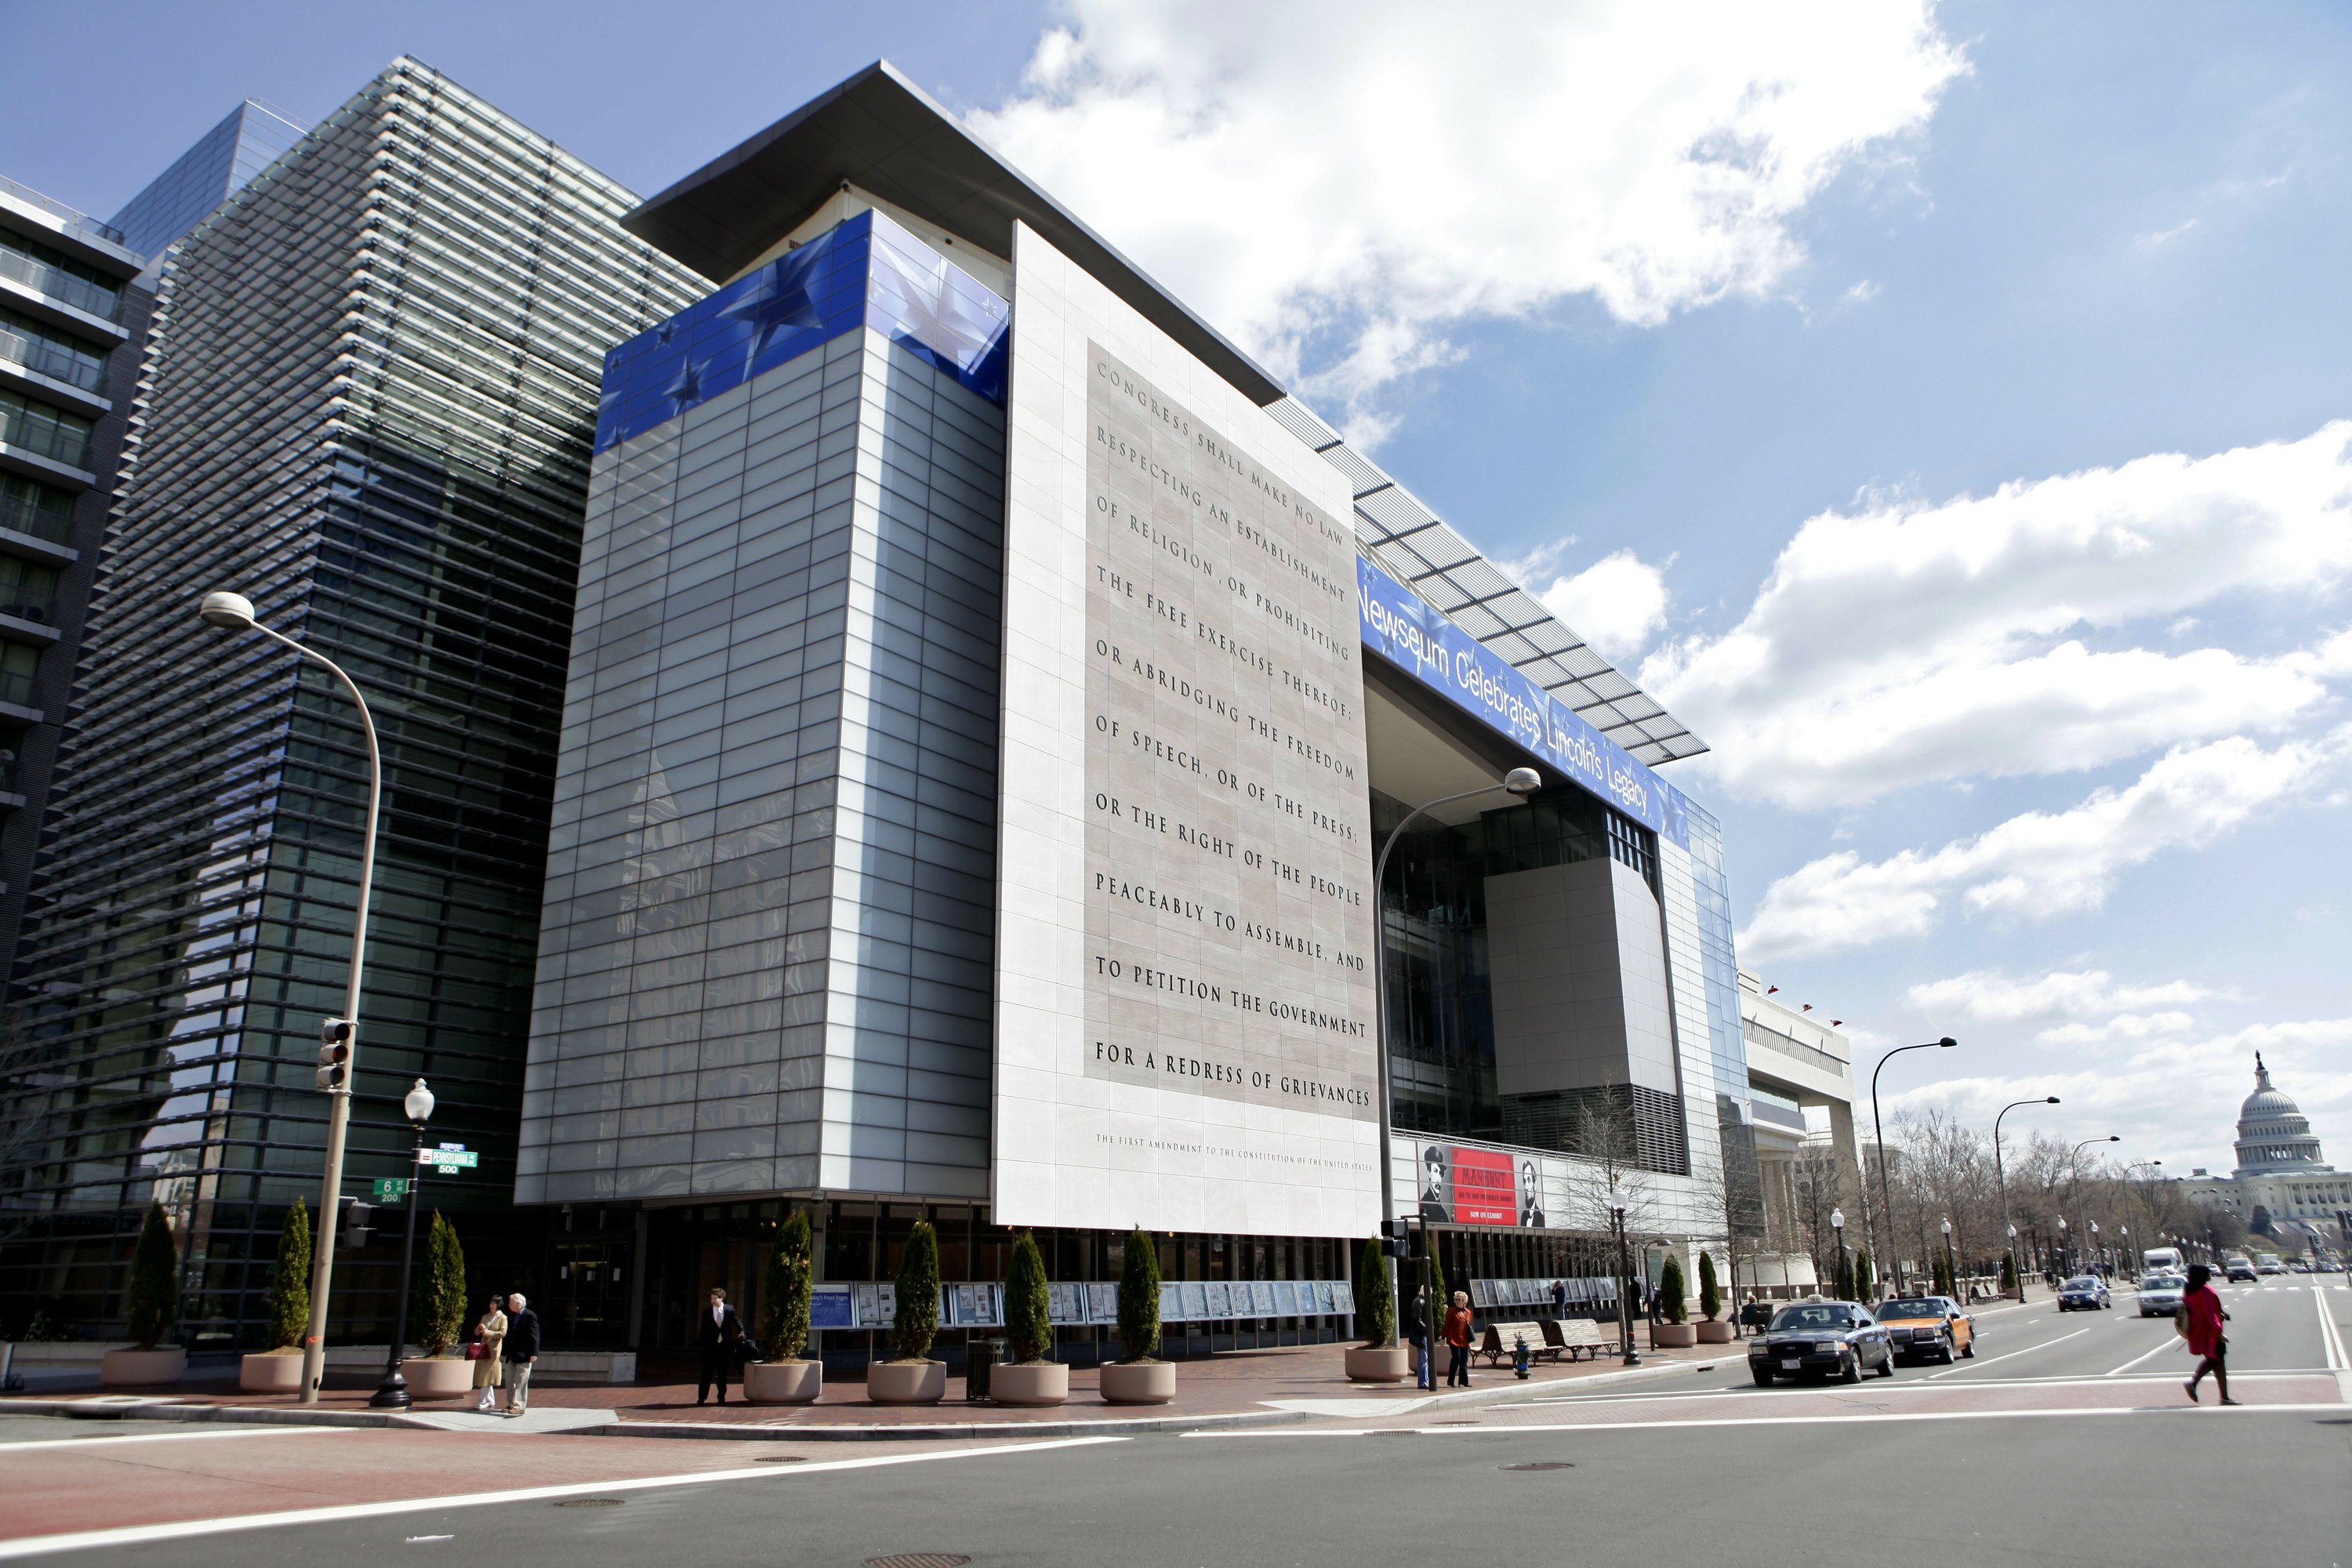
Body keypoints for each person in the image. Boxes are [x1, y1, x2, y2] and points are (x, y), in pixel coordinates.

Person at [2180, 1263, 2237, 1406]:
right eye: (2207, 1273)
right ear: (2202, 1276)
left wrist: (2222, 1313)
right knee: (2215, 1359)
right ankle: (2193, 1382)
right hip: (2209, 1332)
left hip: (2197, 1330)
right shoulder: (2205, 1291)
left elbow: (2200, 1309)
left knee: (2219, 1363)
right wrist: (2219, 1332)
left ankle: (2224, 1397)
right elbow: (2210, 1314)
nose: (2210, 1275)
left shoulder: (2190, 1290)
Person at [697, 1286, 746, 1406]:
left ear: (721, 1298)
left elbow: (736, 1321)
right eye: (711, 1298)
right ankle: (702, 1397)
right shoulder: (707, 1312)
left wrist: (742, 1331)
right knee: (706, 1373)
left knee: (722, 1373)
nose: (713, 1300)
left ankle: (721, 1398)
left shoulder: (729, 1310)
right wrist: (703, 1344)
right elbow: (703, 1330)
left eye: (715, 1298)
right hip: (710, 1346)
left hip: (724, 1346)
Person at [503, 1292, 539, 1417]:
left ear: (518, 1303)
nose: (509, 1305)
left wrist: (534, 1353)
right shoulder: (513, 1316)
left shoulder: (530, 1316)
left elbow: (535, 1335)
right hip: (512, 1354)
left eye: (511, 1303)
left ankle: (519, 1406)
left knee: (521, 1382)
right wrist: (504, 1352)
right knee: (509, 1381)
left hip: (524, 1355)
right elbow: (509, 1336)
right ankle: (511, 1403)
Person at [470, 1296, 506, 1413]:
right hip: (483, 1350)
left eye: (494, 1304)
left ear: (498, 1305)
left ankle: (481, 1402)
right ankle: (490, 1400)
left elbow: (502, 1333)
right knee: (486, 1375)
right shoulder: (485, 1317)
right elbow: (476, 1332)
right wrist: (480, 1329)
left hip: (494, 1350)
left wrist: (488, 1332)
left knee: (487, 1375)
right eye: (490, 1303)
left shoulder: (503, 1318)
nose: (491, 1306)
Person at [1443, 1290, 1474, 1388]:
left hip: (1464, 1340)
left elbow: (1469, 1327)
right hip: (1453, 1339)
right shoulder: (1451, 1311)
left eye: (1459, 1300)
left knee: (1464, 1360)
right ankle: (1451, 1381)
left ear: (1464, 1301)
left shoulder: (1468, 1312)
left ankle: (1464, 1381)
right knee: (1456, 1358)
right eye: (1455, 1300)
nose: (1457, 1301)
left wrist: (1469, 1341)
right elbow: (1446, 1324)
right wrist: (1443, 1336)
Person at [1407, 1287, 1433, 1390]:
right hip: (1421, 1335)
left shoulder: (1420, 1301)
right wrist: (1426, 1329)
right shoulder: (1420, 1301)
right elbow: (1416, 1318)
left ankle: (1424, 1381)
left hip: (1422, 1334)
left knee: (1424, 1358)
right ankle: (1423, 1382)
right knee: (1423, 1359)